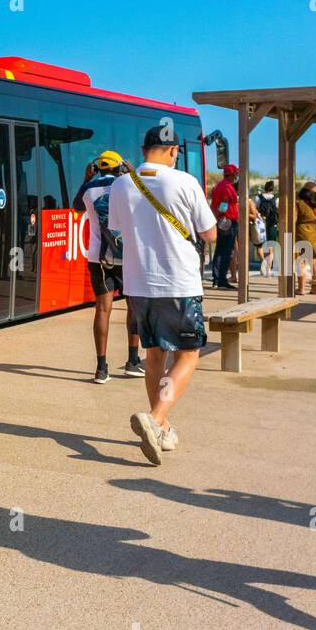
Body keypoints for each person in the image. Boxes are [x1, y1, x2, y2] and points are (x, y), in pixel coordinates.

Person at [107, 125, 218, 465]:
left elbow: (116, 230)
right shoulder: (184, 181)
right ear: (173, 152)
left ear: (143, 149)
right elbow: (210, 233)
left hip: (139, 284)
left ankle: (164, 428)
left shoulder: (120, 184)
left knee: (154, 356)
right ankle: (155, 419)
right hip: (179, 283)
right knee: (187, 354)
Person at [73, 150, 143, 383]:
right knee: (133, 306)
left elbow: (76, 207)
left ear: (97, 168)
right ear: (119, 168)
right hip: (128, 257)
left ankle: (101, 368)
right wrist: (134, 175)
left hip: (98, 258)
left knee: (102, 309)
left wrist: (86, 179)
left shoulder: (89, 190)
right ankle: (133, 361)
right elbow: (148, 200)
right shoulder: (129, 186)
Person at [209, 164, 248, 289]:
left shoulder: (219, 185)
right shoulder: (227, 186)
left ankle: (217, 279)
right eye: (235, 173)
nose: (237, 175)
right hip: (228, 221)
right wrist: (222, 214)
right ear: (231, 174)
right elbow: (224, 203)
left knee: (220, 250)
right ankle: (221, 280)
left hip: (222, 220)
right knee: (226, 251)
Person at [294, 181, 316, 295]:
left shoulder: (299, 203)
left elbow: (295, 218)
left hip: (303, 231)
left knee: (301, 262)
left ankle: (301, 289)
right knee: (315, 261)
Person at [256, 180, 279, 277]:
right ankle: (268, 270)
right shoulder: (277, 199)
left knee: (260, 246)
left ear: (265, 188)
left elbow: (255, 209)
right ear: (273, 189)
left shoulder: (258, 197)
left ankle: (263, 265)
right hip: (272, 224)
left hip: (260, 224)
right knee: (270, 248)